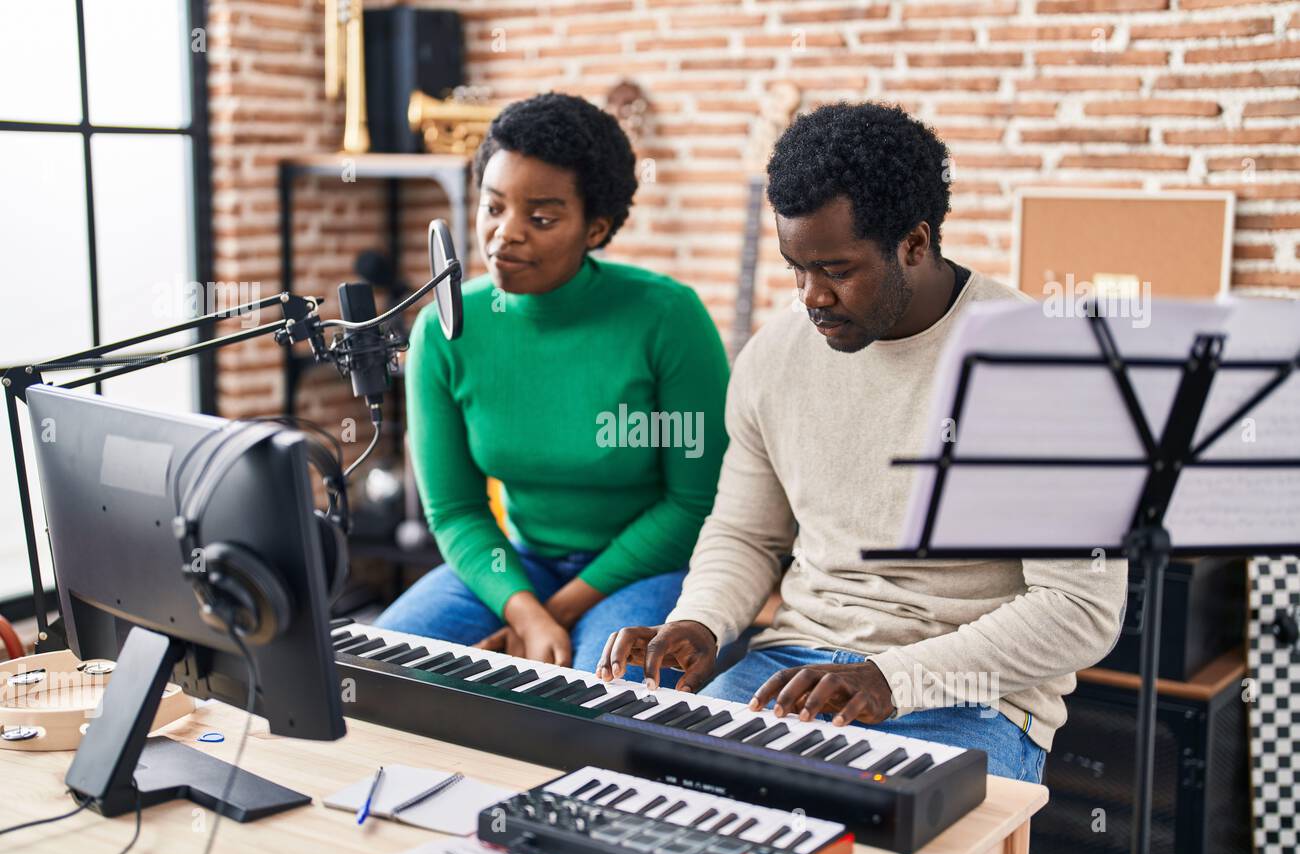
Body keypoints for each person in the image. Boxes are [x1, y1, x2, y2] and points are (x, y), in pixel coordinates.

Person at [598, 102, 1128, 783]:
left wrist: (892, 679)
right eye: (796, 268)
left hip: (970, 698)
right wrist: (701, 622)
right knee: (643, 789)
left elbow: (1081, 610)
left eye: (838, 270)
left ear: (914, 243)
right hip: (789, 669)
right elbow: (745, 534)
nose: (812, 296)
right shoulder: (775, 357)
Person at [377, 93, 729, 674]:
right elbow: (457, 510)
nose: (505, 235)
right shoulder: (446, 332)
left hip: (652, 567)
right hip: (519, 562)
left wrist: (553, 613)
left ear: (597, 227)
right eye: (493, 208)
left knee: (598, 705)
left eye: (540, 219)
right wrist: (522, 608)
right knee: (380, 670)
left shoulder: (668, 318)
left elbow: (694, 503)